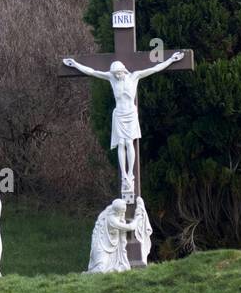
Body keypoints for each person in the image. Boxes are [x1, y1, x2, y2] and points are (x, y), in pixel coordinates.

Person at [62, 51, 184, 195]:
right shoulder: (111, 78)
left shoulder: (134, 76)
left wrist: (171, 60)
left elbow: (155, 68)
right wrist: (75, 64)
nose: (117, 76)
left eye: (118, 73)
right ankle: (124, 176)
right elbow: (93, 72)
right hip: (119, 114)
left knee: (129, 142)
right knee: (121, 143)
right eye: (115, 74)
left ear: (123, 70)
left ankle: (130, 174)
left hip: (130, 114)